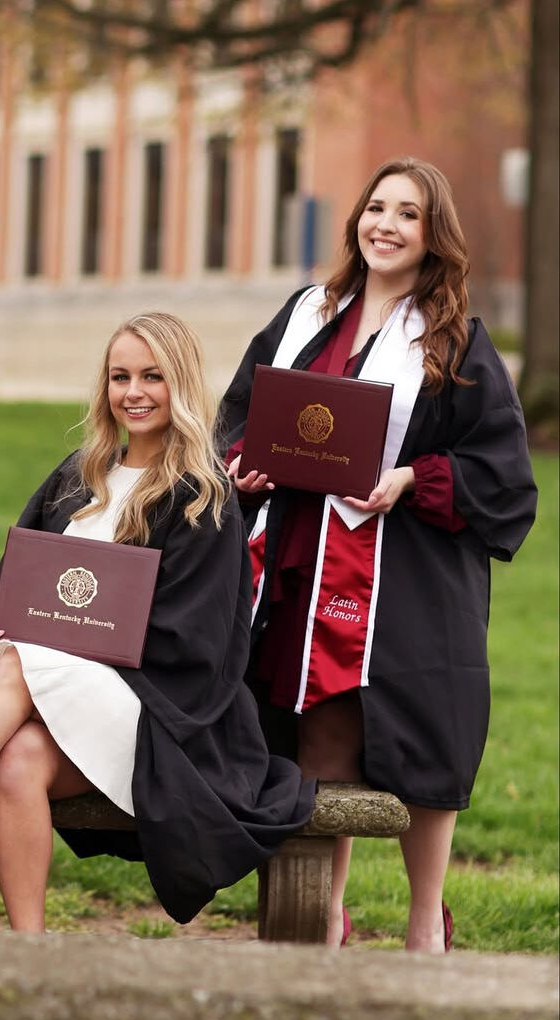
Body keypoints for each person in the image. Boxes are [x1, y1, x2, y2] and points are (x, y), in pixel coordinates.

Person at [0, 312, 315, 932]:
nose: (133, 392)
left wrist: (75, 641)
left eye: (152, 377)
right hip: (61, 693)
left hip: (159, 712)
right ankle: (32, 960)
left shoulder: (201, 494)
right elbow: (19, 580)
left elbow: (203, 642)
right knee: (19, 760)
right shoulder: (79, 477)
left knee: (29, 660)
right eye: (119, 377)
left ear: (182, 385)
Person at [218, 157, 536, 952]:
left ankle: (425, 917)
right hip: (307, 559)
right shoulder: (307, 312)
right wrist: (243, 461)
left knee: (425, 737)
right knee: (323, 730)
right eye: (377, 208)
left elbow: (502, 470)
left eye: (408, 214)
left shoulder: (452, 337)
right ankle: (326, 909)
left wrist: (411, 478)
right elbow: (242, 412)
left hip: (409, 575)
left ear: (434, 238)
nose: (385, 225)